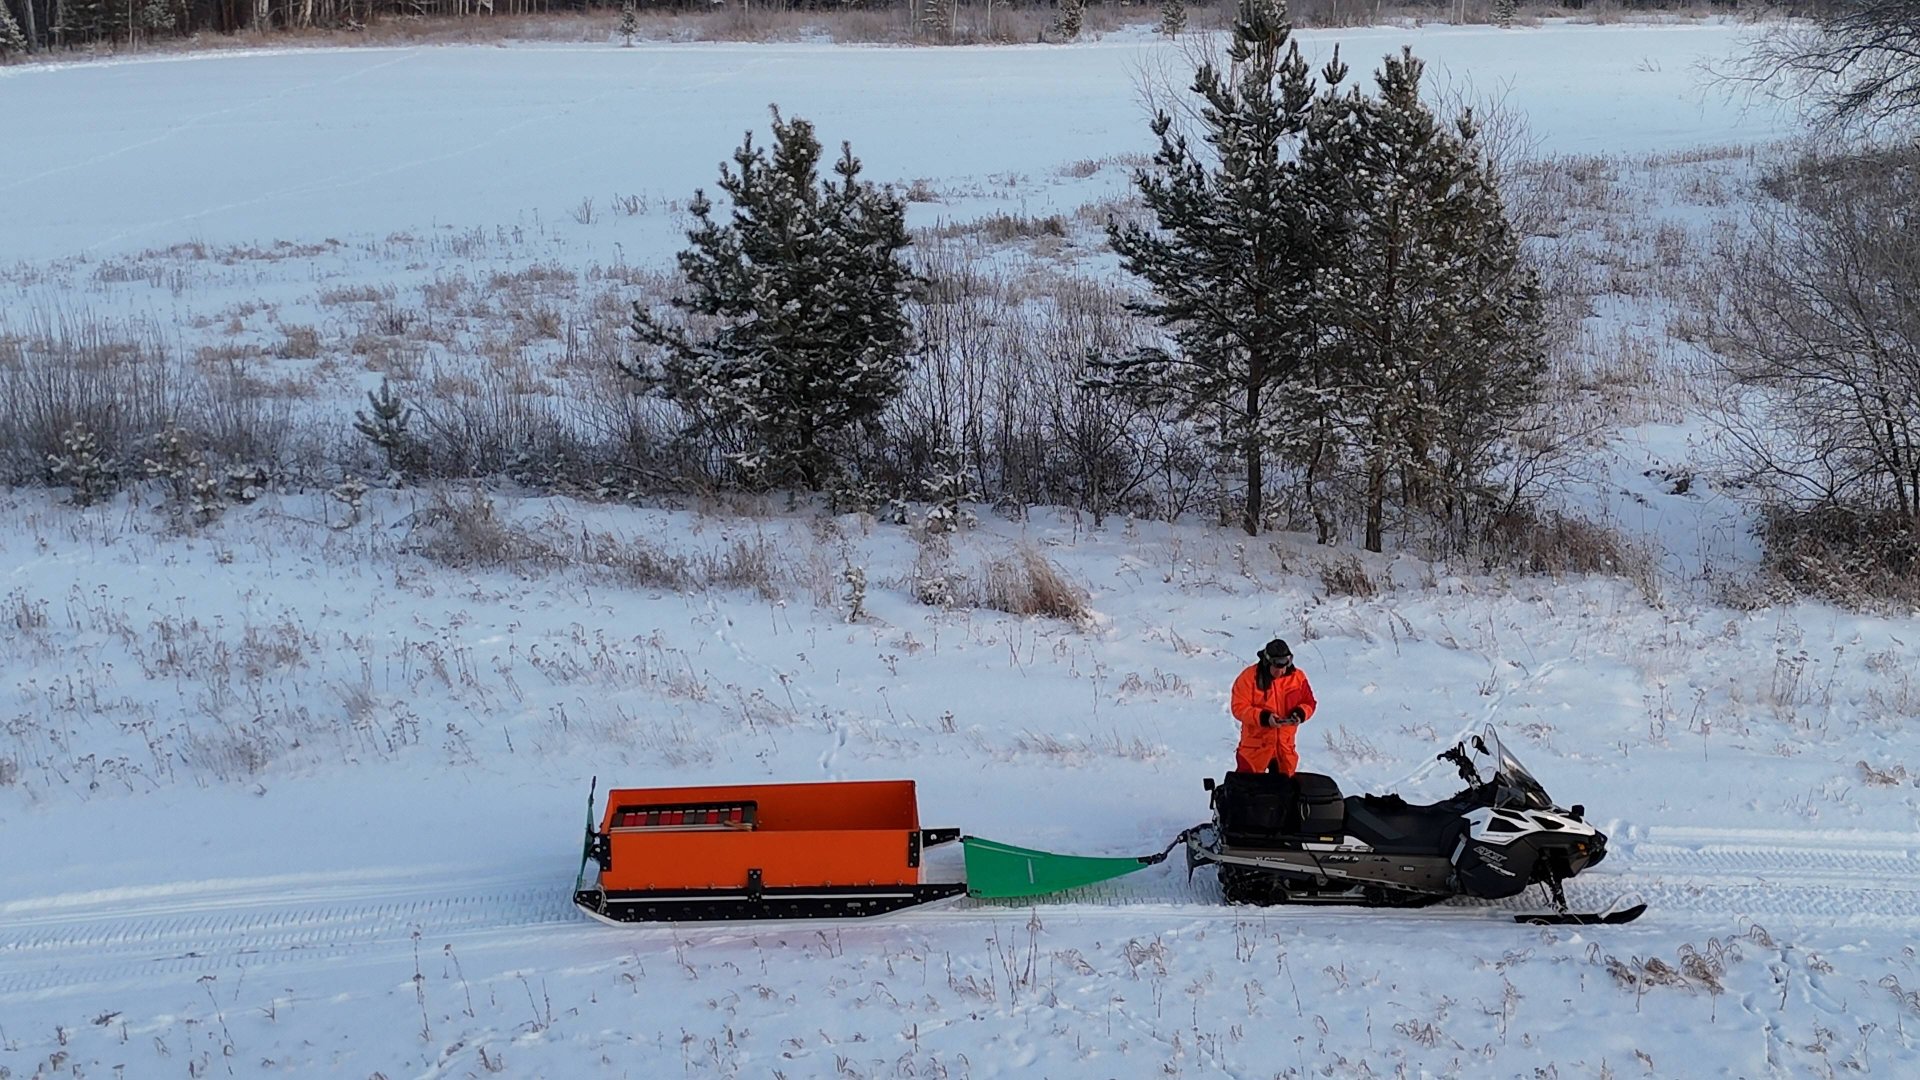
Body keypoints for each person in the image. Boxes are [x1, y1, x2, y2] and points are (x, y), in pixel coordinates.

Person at [1229, 639, 1317, 775]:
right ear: (1267, 662)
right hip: (1255, 748)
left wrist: (1300, 714)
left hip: (1284, 749)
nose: (1281, 671)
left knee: (1285, 792)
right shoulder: (1248, 678)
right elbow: (1238, 708)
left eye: (1284, 666)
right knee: (1247, 790)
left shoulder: (1298, 677)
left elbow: (1309, 702)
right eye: (1277, 667)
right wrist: (1264, 717)